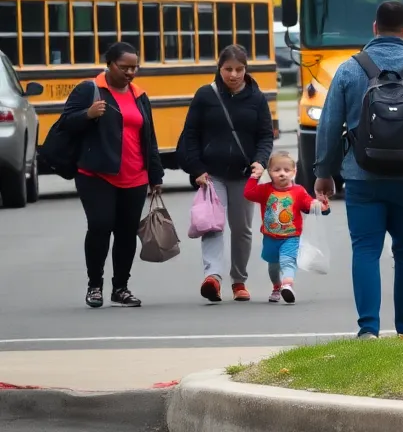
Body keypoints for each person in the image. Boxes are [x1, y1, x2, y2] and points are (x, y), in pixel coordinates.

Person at [314, 1, 403, 339]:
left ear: (374, 28)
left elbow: (329, 125)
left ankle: (368, 329)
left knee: (365, 249)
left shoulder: (350, 70)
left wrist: (324, 172)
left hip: (362, 177)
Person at [59, 42, 164, 309]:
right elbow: (65, 124)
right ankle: (95, 285)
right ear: (109, 64)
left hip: (135, 175)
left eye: (134, 67)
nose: (130, 72)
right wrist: (87, 114)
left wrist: (155, 174)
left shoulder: (139, 95)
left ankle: (121, 288)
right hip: (96, 173)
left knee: (127, 232)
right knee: (100, 225)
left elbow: (149, 137)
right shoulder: (90, 90)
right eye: (124, 67)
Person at [177, 44, 274, 303]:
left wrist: (260, 162)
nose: (233, 75)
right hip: (212, 175)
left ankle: (239, 280)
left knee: (242, 229)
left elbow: (265, 135)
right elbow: (190, 135)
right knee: (212, 225)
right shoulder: (205, 96)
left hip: (244, 174)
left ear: (246, 70)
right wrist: (197, 169)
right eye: (228, 69)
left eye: (239, 69)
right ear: (219, 69)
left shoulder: (257, 98)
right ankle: (213, 278)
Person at [245, 153, 327, 304]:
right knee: (273, 266)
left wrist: (321, 205)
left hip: (291, 237)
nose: (282, 173)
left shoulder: (299, 191)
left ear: (294, 172)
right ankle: (276, 287)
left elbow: (308, 204)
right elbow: (248, 193)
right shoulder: (265, 190)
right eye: (277, 170)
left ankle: (287, 285)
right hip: (270, 237)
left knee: (288, 261)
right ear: (269, 172)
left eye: (286, 170)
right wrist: (254, 177)